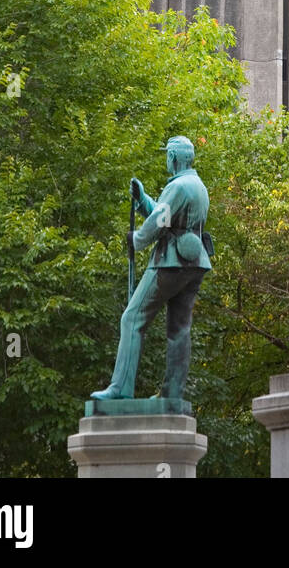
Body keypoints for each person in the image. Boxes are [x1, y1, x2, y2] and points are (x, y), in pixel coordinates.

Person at [90, 134, 211, 409]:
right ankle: (172, 393)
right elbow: (167, 215)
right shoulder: (197, 185)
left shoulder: (179, 186)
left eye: (167, 156)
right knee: (180, 329)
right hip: (195, 264)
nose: (166, 160)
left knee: (132, 318)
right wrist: (143, 199)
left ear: (173, 158)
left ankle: (121, 389)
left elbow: (158, 222)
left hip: (171, 262)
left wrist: (137, 239)